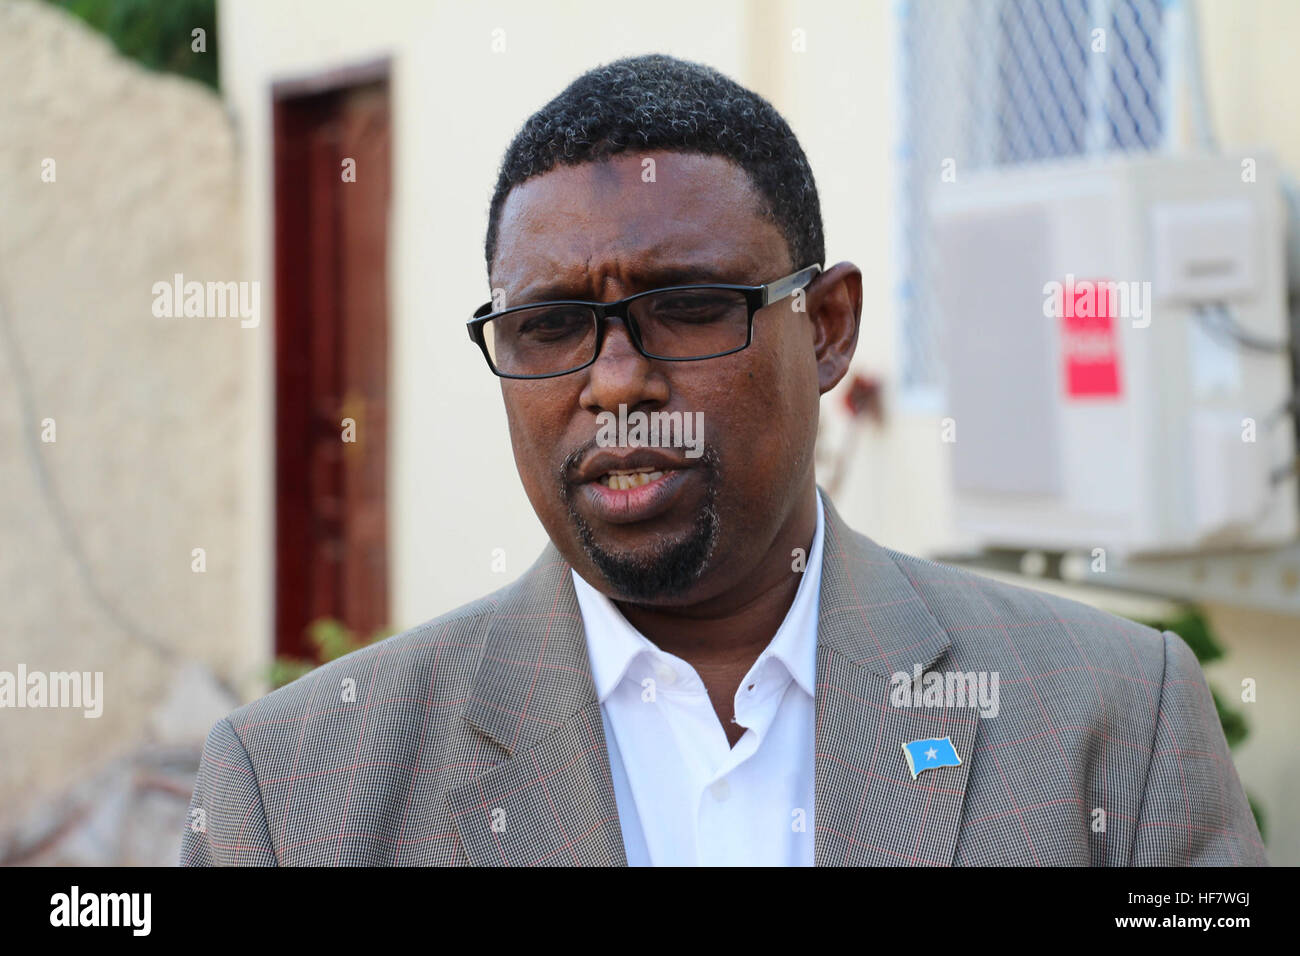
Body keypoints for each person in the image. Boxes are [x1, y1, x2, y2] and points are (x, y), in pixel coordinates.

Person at [180, 54, 1265, 866]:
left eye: (689, 306)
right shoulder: (292, 794)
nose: (614, 382)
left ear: (828, 325)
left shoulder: (1110, 715)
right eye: (551, 326)